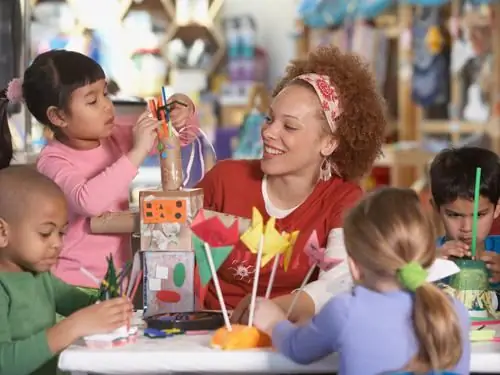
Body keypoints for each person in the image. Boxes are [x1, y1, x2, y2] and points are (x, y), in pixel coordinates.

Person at [196, 45, 387, 323]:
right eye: (270, 119)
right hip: (208, 338)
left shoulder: (343, 198)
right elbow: (166, 226)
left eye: (290, 127)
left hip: (288, 342)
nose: (268, 133)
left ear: (329, 143)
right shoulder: (225, 179)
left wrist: (268, 310)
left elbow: (340, 281)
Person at [1, 49, 197, 290]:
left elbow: (183, 136)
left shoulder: (115, 136)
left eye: (105, 94)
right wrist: (136, 154)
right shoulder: (53, 161)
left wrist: (181, 108)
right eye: (92, 101)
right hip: (74, 284)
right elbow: (89, 201)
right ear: (58, 116)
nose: (107, 106)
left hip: (118, 280)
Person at [252, 188, 470, 374]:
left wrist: (273, 323)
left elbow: (296, 349)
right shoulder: (455, 312)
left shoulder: (345, 311)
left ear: (354, 267)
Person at [0, 166, 133, 375]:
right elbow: (4, 364)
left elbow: (81, 304)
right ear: (2, 232)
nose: (57, 244)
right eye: (45, 233)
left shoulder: (40, 276)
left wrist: (109, 306)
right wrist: (72, 327)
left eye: (61, 233)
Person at [430, 147, 500, 282]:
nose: (467, 228)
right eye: (454, 215)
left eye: (479, 215)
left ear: (497, 208)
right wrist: (426, 270)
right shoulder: (425, 258)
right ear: (436, 208)